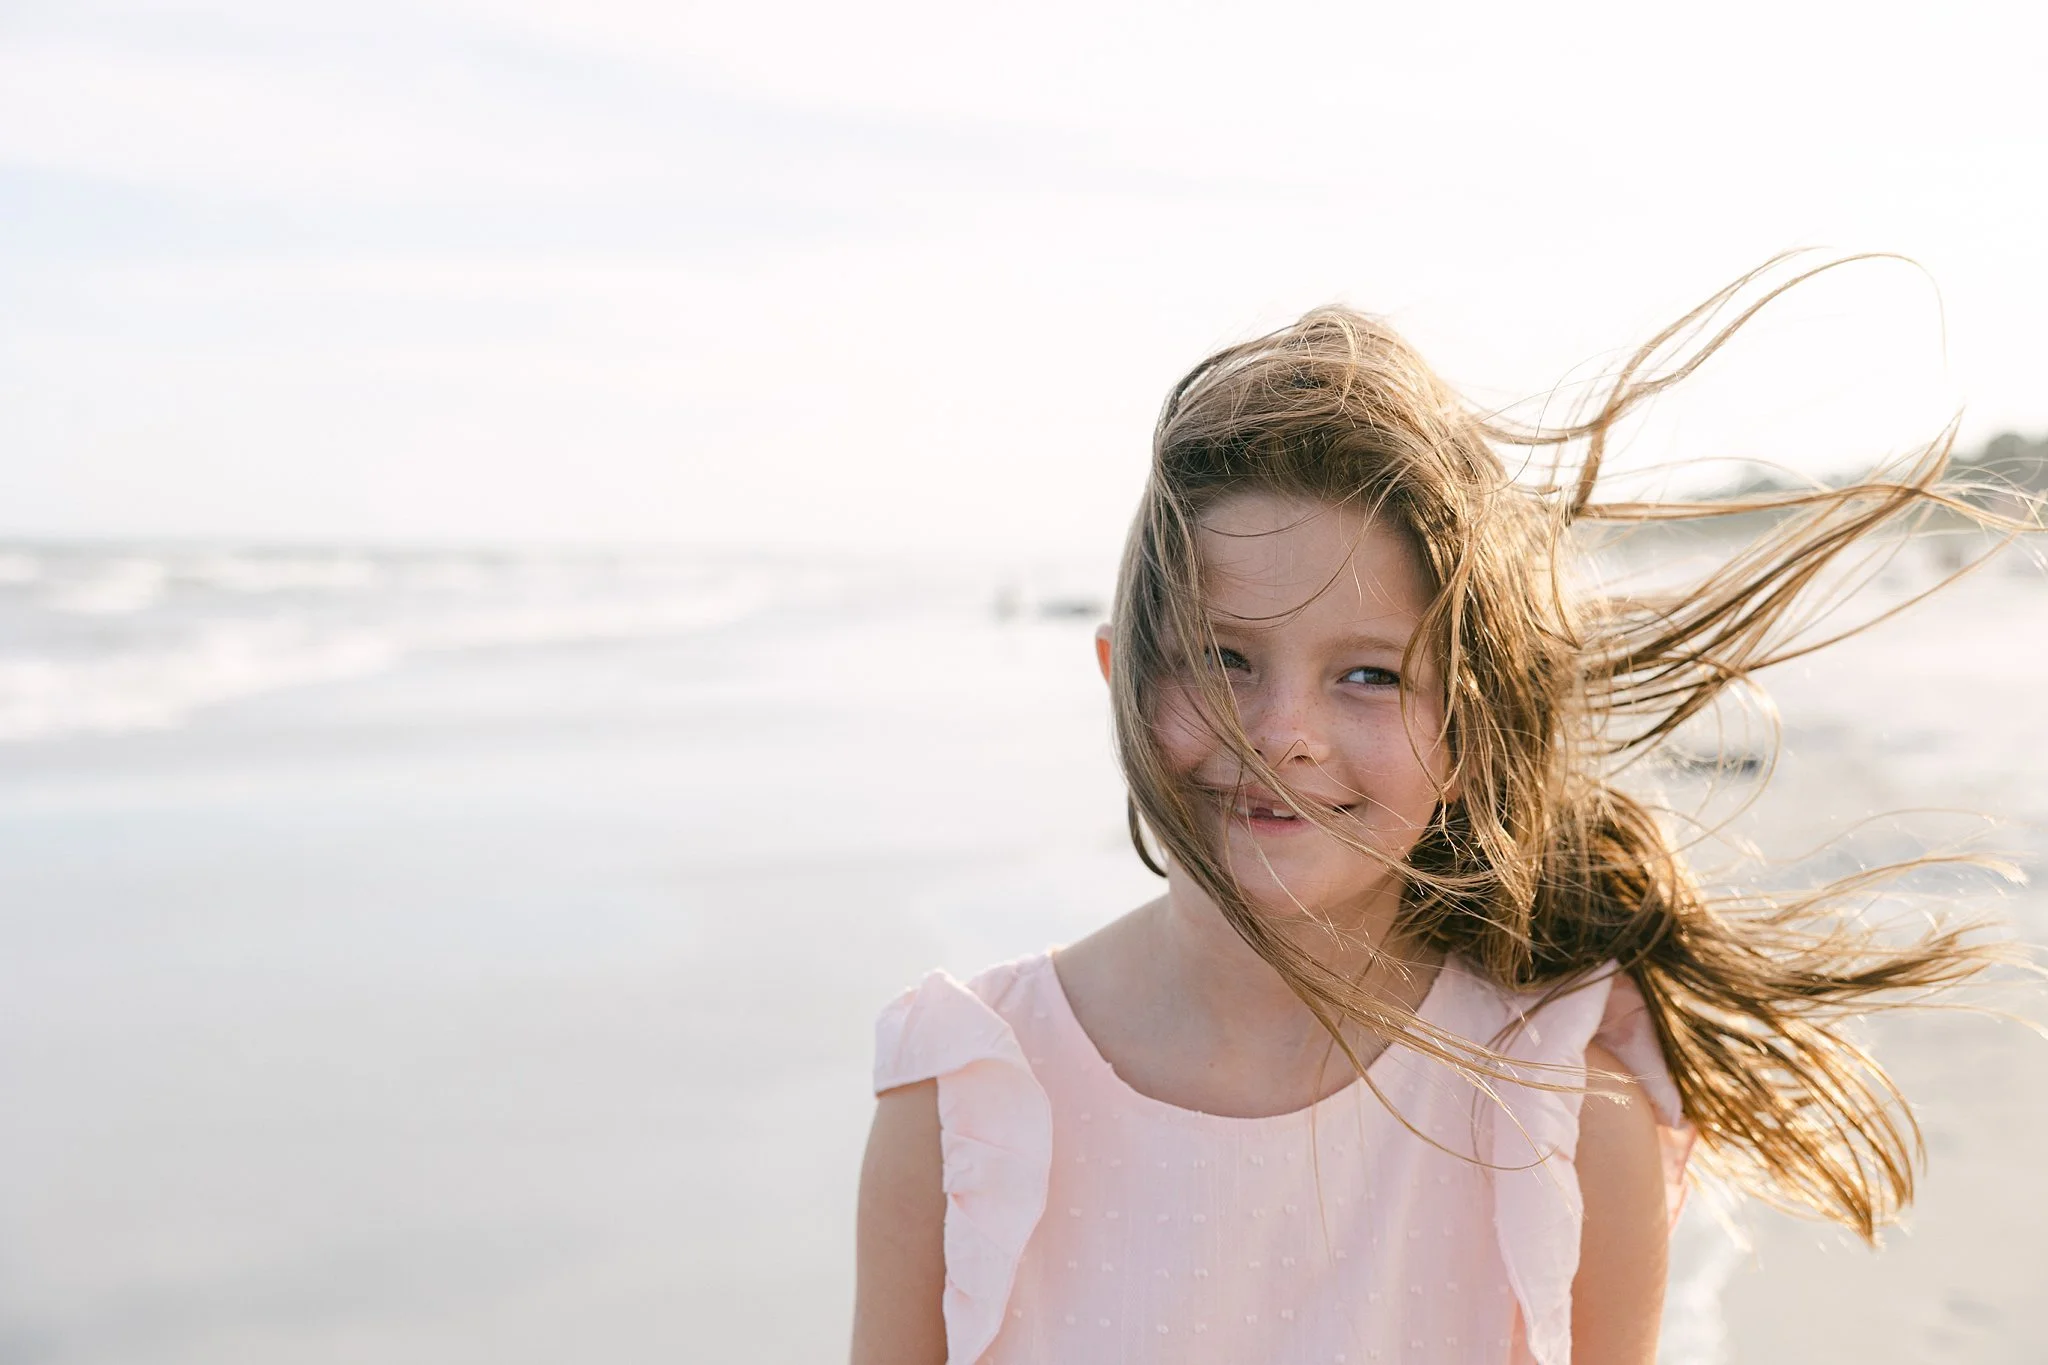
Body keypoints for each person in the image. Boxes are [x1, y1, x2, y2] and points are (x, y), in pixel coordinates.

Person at [848, 256, 2022, 1365]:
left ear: (1467, 731)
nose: (1281, 732)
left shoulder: (1559, 1119)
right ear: (1120, 674)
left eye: (1367, 674)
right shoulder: (967, 1090)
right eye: (1220, 658)